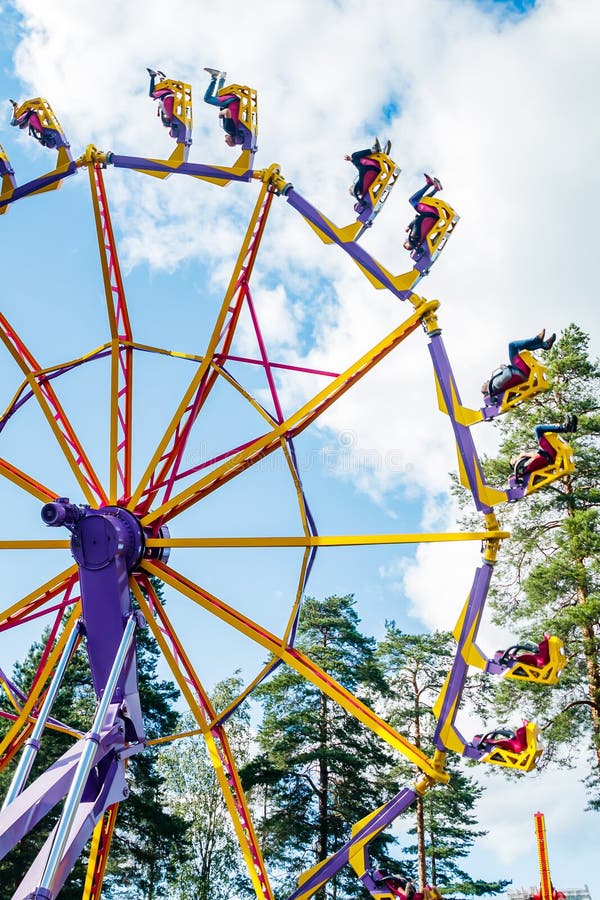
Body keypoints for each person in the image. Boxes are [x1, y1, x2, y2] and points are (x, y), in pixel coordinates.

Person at [481, 329, 556, 399]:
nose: (484, 383)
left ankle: (544, 345)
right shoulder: (494, 383)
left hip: (523, 377)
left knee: (520, 347)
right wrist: (503, 367)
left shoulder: (496, 391)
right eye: (483, 385)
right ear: (485, 389)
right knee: (512, 345)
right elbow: (507, 375)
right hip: (519, 372)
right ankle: (539, 341)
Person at [511, 416, 577, 486]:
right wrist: (523, 454)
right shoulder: (524, 467)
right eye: (515, 459)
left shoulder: (526, 470)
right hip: (547, 455)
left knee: (548, 434)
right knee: (537, 429)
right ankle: (565, 428)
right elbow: (536, 457)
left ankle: (566, 427)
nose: (516, 457)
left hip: (549, 456)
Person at [203, 67, 245, 147]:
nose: (225, 140)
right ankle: (214, 77)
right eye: (227, 142)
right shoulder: (229, 129)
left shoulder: (237, 130)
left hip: (233, 101)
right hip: (230, 101)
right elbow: (227, 111)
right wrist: (220, 113)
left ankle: (222, 77)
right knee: (207, 99)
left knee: (217, 96)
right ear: (231, 140)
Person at [345, 138, 392, 204]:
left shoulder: (363, 188)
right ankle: (375, 150)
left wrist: (352, 161)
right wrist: (352, 160)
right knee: (354, 156)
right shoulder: (359, 189)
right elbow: (362, 171)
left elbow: (362, 175)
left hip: (375, 170)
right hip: (372, 168)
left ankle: (378, 151)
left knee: (358, 161)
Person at [403, 174, 442, 251]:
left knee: (422, 201)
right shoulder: (413, 238)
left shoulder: (419, 241)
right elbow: (417, 222)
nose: (406, 241)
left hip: (432, 216)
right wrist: (409, 226)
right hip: (429, 214)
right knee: (412, 200)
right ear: (407, 246)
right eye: (405, 243)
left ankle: (435, 188)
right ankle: (429, 185)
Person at [147, 68, 178, 138]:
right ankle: (153, 76)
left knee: (157, 91)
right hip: (168, 97)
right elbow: (173, 134)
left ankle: (161, 78)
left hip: (169, 96)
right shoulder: (172, 118)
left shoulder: (174, 115)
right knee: (151, 94)